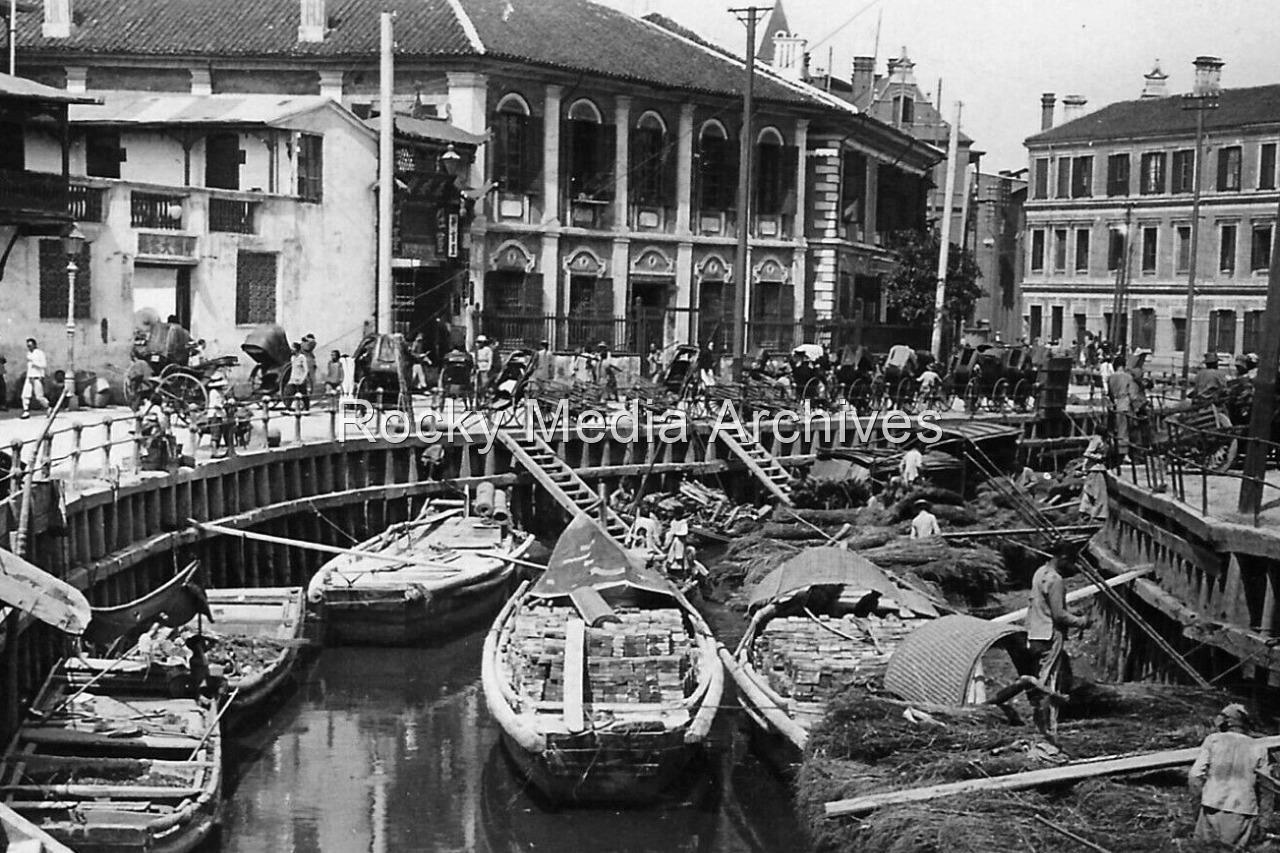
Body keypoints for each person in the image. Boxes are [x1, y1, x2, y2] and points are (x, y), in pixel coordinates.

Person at [1022, 540, 1091, 741]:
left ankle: (1040, 724)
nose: (1071, 565)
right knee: (1050, 683)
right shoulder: (1056, 580)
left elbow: (1043, 606)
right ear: (1062, 557)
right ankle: (1049, 730)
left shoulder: (1039, 573)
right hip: (1050, 635)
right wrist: (1081, 622)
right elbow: (1059, 615)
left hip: (1035, 632)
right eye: (1070, 560)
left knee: (1039, 680)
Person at [1188, 704, 1271, 848]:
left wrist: (1197, 805)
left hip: (1210, 806)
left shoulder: (1213, 740)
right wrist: (1265, 821)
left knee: (1204, 849)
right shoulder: (1258, 747)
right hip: (1241, 810)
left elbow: (1195, 776)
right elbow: (1267, 787)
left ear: (1226, 722)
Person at [1078, 424, 1111, 521]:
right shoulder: (1097, 439)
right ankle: (1099, 515)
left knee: (1090, 490)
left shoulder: (1103, 440)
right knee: (1100, 493)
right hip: (1096, 468)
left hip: (1097, 468)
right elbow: (1087, 453)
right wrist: (1099, 457)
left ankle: (1085, 511)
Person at [1105, 356, 1134, 462]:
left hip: (1114, 404)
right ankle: (1124, 453)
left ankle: (1113, 449)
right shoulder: (1128, 377)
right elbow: (1132, 393)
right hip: (1124, 404)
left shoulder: (1111, 377)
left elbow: (1110, 393)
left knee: (1113, 429)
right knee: (1124, 430)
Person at [20, 338, 48, 419]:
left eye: (31, 345)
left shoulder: (40, 353)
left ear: (35, 345)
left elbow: (43, 365)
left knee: (39, 397)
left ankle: (48, 408)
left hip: (37, 377)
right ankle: (26, 411)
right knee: (25, 395)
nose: (29, 347)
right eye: (28, 346)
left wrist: (34, 363)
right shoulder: (28, 354)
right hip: (29, 377)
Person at [284, 342, 309, 411]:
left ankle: (307, 409)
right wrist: (291, 379)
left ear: (297, 349)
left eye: (293, 349)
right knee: (289, 393)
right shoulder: (292, 358)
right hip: (293, 379)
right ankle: (288, 408)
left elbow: (306, 370)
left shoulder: (302, 357)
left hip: (300, 380)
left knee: (304, 395)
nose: (291, 350)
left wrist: (302, 379)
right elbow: (293, 369)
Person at [473, 335, 494, 403]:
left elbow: (490, 359)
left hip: (484, 368)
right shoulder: (476, 350)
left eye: (480, 342)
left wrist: (488, 367)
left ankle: (484, 397)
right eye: (478, 342)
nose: (479, 344)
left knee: (484, 384)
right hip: (477, 368)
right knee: (475, 384)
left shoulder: (488, 350)